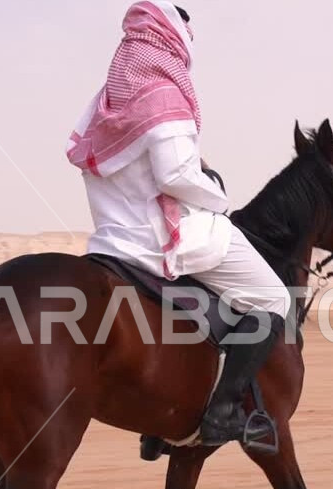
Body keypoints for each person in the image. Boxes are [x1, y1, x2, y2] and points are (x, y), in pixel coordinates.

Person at [67, 1, 290, 449]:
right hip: (165, 235)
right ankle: (224, 411)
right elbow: (175, 175)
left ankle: (161, 418)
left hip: (113, 240)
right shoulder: (163, 93)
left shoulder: (107, 102)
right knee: (273, 298)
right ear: (172, 35)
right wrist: (218, 196)